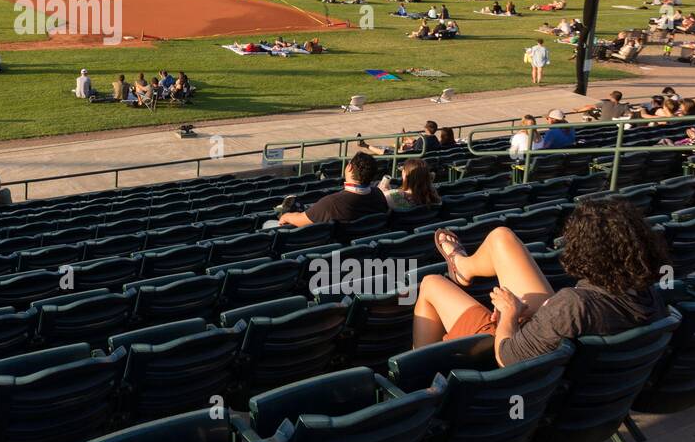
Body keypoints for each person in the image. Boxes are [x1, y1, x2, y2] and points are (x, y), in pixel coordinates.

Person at [413, 199, 669, 365]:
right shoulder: (649, 295)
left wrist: (507, 314)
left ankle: (422, 382)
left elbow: (507, 357)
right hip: (552, 338)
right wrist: (545, 309)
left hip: (511, 355)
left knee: (430, 283)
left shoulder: (573, 304)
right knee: (501, 237)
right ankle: (463, 267)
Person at [271, 152, 388, 228]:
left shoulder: (331, 203)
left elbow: (300, 221)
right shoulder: (379, 195)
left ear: (350, 168)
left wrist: (286, 216)